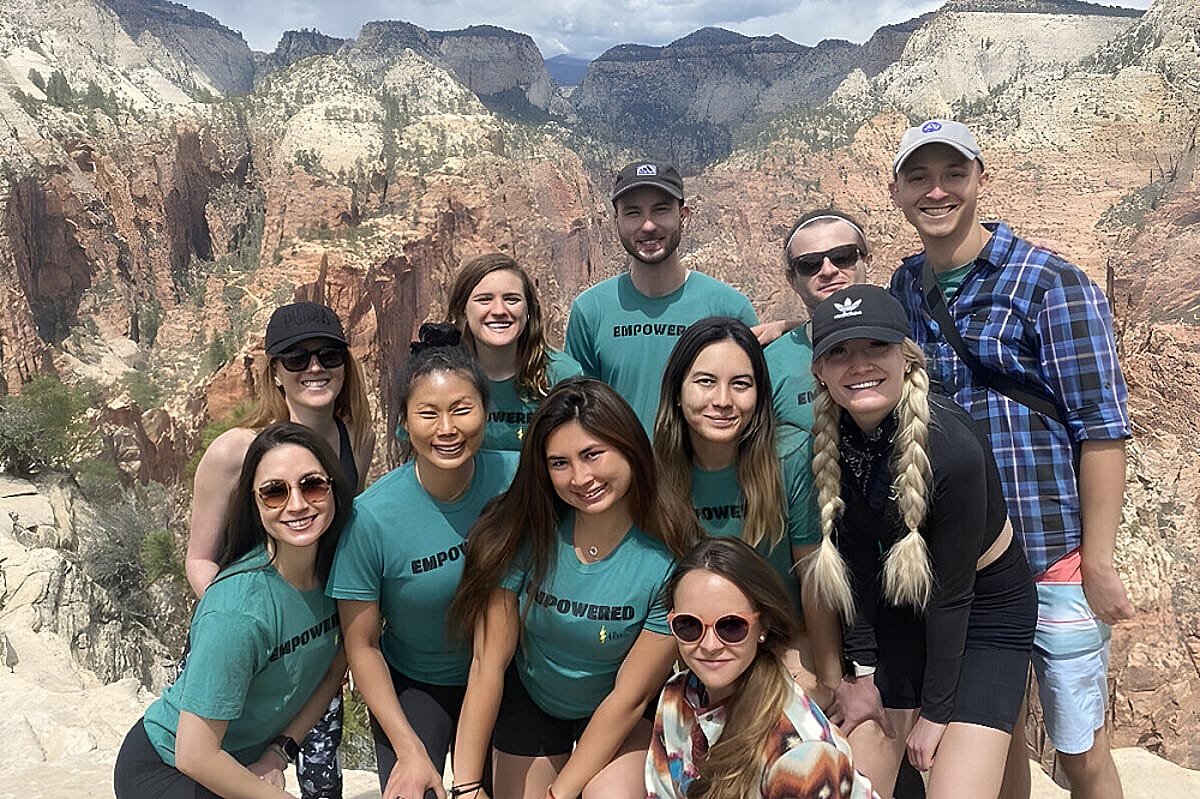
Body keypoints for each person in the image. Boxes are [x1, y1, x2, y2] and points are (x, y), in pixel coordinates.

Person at [886, 119, 1133, 799]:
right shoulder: (905, 287)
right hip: (968, 567)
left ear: (980, 180)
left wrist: (1101, 560)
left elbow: (1101, 427)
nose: (937, 191)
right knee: (995, 738)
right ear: (897, 190)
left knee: (1079, 750)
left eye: (953, 174)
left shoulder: (1053, 283)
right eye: (920, 177)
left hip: (1053, 556)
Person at [805, 286, 1037, 798]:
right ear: (818, 368)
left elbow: (953, 596)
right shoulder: (827, 442)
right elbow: (854, 565)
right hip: (899, 610)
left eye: (876, 348)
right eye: (839, 352)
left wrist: (934, 715)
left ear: (905, 357)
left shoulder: (950, 447)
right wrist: (863, 675)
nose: (858, 365)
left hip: (982, 615)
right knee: (856, 781)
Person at [448, 376, 701, 799]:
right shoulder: (528, 534)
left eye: (592, 454)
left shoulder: (669, 555)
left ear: (627, 447)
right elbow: (487, 664)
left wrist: (560, 792)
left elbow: (630, 696)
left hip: (616, 711)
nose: (580, 477)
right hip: (533, 698)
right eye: (559, 463)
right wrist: (467, 786)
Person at [186, 300, 375, 799]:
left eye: (329, 355)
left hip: (320, 641)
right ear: (275, 373)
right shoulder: (235, 451)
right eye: (296, 358)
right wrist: (245, 626)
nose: (315, 367)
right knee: (230, 768)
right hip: (250, 642)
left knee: (319, 769)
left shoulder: (354, 436)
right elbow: (200, 558)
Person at [327, 323, 519, 799]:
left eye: (461, 410)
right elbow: (363, 645)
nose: (447, 429)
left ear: (486, 412)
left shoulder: (517, 479)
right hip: (416, 685)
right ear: (404, 422)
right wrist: (409, 750)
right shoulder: (372, 517)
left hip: (510, 675)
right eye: (428, 414)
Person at [114, 422, 350, 799]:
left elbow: (335, 669)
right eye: (275, 492)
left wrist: (278, 753)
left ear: (333, 489)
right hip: (167, 768)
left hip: (240, 757)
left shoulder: (338, 575)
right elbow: (195, 755)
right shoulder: (239, 612)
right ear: (254, 506)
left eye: (312, 484)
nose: (297, 504)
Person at [652, 316, 842, 700]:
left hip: (783, 640)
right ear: (677, 389)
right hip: (700, 646)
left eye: (741, 384)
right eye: (705, 381)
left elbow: (813, 580)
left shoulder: (789, 457)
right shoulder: (657, 473)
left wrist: (831, 683)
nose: (722, 401)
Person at [646, 537, 878, 799]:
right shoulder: (675, 697)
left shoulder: (801, 751)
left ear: (763, 626)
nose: (709, 645)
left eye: (731, 626)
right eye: (688, 625)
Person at [565, 160, 759, 430]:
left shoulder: (729, 309)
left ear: (683, 216)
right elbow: (579, 411)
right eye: (633, 213)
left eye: (661, 210)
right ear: (616, 221)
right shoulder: (590, 311)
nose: (648, 225)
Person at [445, 252, 582, 451]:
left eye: (511, 299)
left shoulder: (561, 376)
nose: (499, 310)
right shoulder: (440, 378)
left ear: (528, 310)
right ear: (462, 310)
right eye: (484, 299)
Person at [763, 210, 872, 439]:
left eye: (843, 256)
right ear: (791, 279)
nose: (828, 270)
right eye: (809, 264)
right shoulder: (769, 365)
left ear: (867, 261)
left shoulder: (907, 335)